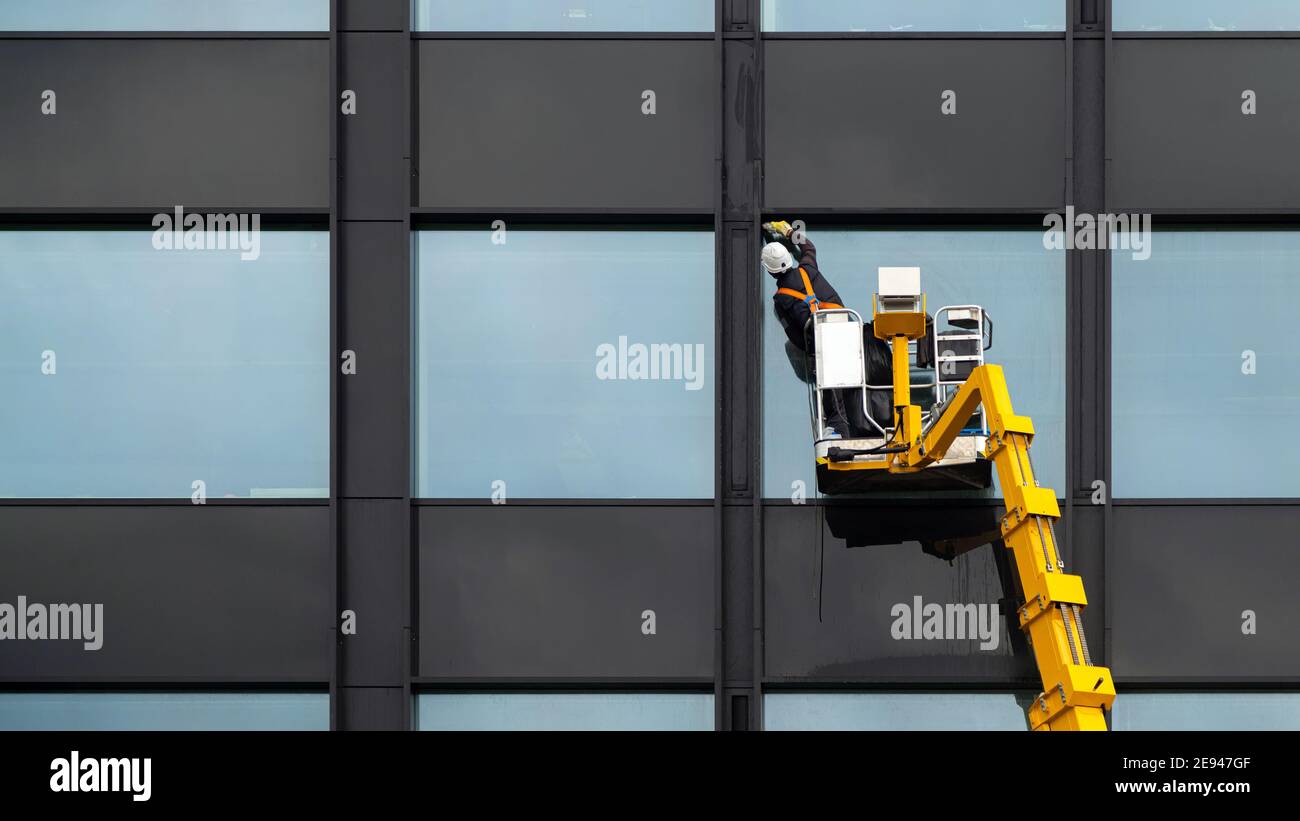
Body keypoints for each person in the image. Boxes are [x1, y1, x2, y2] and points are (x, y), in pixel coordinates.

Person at [762, 220, 894, 438]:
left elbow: (794, 336)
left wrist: (805, 350)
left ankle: (839, 429)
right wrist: (787, 231)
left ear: (770, 272)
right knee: (854, 381)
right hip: (848, 331)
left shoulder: (781, 299)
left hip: (824, 342)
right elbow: (809, 248)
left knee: (832, 391)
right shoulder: (808, 269)